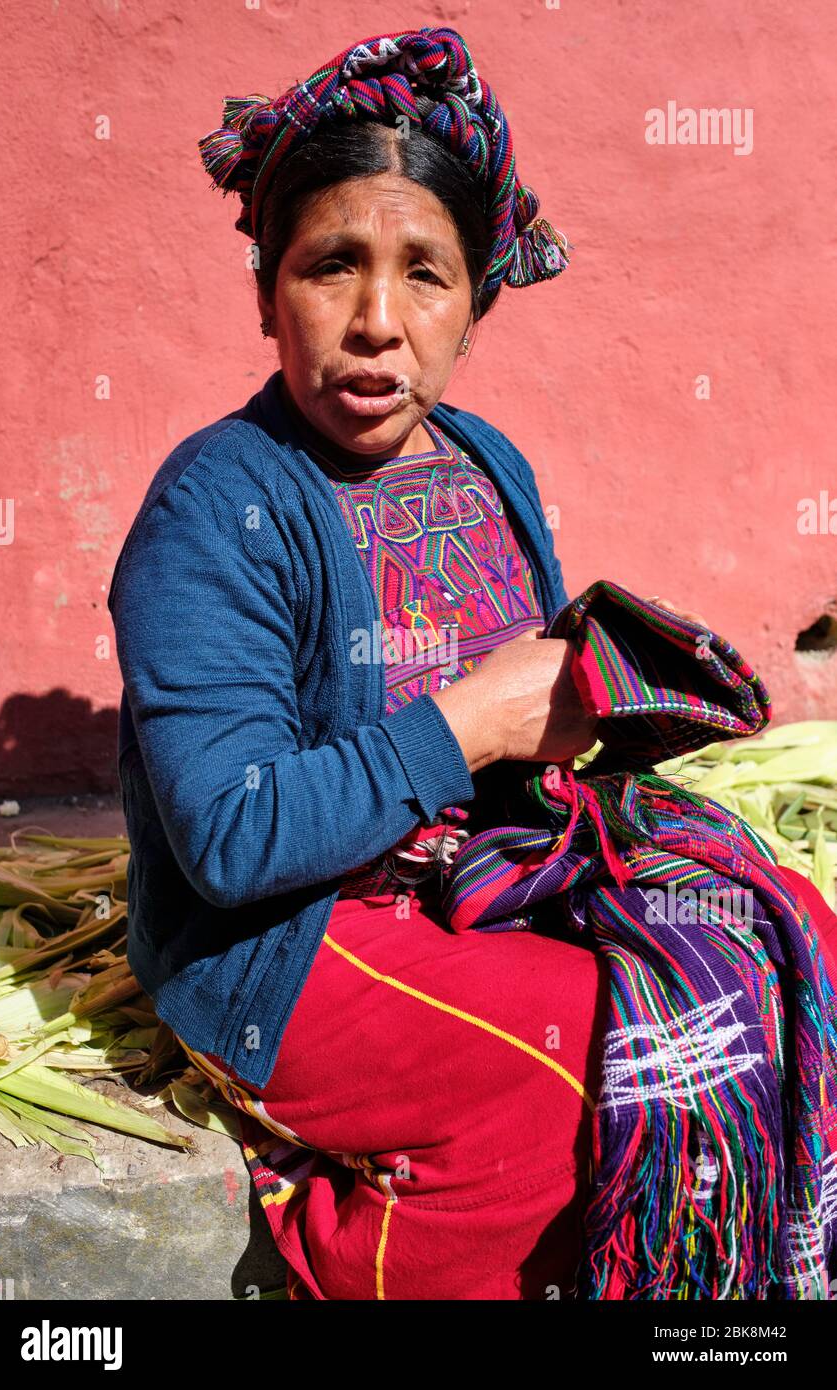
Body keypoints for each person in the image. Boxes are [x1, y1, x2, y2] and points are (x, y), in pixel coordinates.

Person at [108, 27, 837, 1300]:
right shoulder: (214, 505)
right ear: (266, 288)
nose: (378, 324)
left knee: (784, 937)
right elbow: (227, 838)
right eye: (333, 264)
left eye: (425, 275)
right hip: (284, 939)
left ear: (476, 302)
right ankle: (345, 1248)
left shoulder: (486, 461)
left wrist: (609, 692)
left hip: (482, 870)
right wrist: (475, 723)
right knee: (573, 1068)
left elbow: (518, 697)